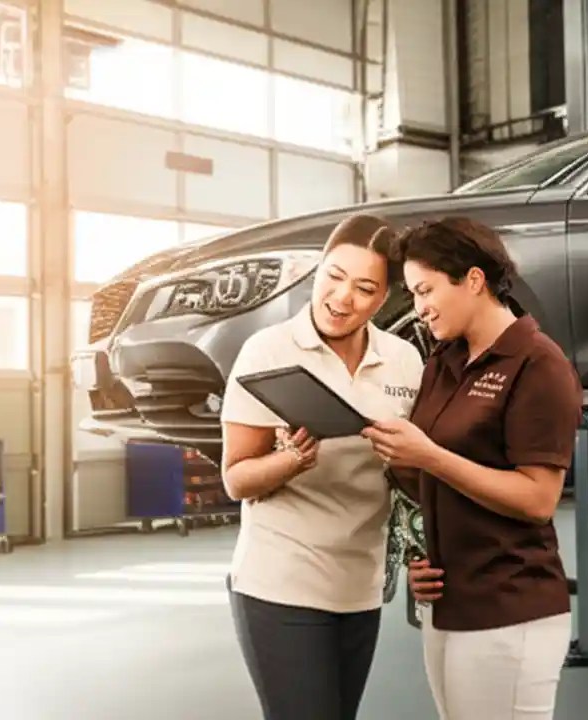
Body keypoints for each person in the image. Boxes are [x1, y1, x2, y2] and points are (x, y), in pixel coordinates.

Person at [362, 217, 582, 720]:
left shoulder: (538, 364)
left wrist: (429, 456)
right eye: (414, 294)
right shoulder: (444, 361)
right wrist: (422, 554)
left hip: (509, 606)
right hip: (448, 603)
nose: (419, 307)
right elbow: (431, 478)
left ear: (475, 280)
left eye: (426, 290)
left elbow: (537, 499)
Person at [219, 214, 425, 720]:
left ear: (384, 298)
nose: (342, 297)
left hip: (359, 585)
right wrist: (291, 460)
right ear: (318, 269)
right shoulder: (267, 350)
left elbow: (413, 476)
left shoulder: (404, 360)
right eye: (334, 276)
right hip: (280, 580)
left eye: (364, 288)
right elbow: (236, 479)